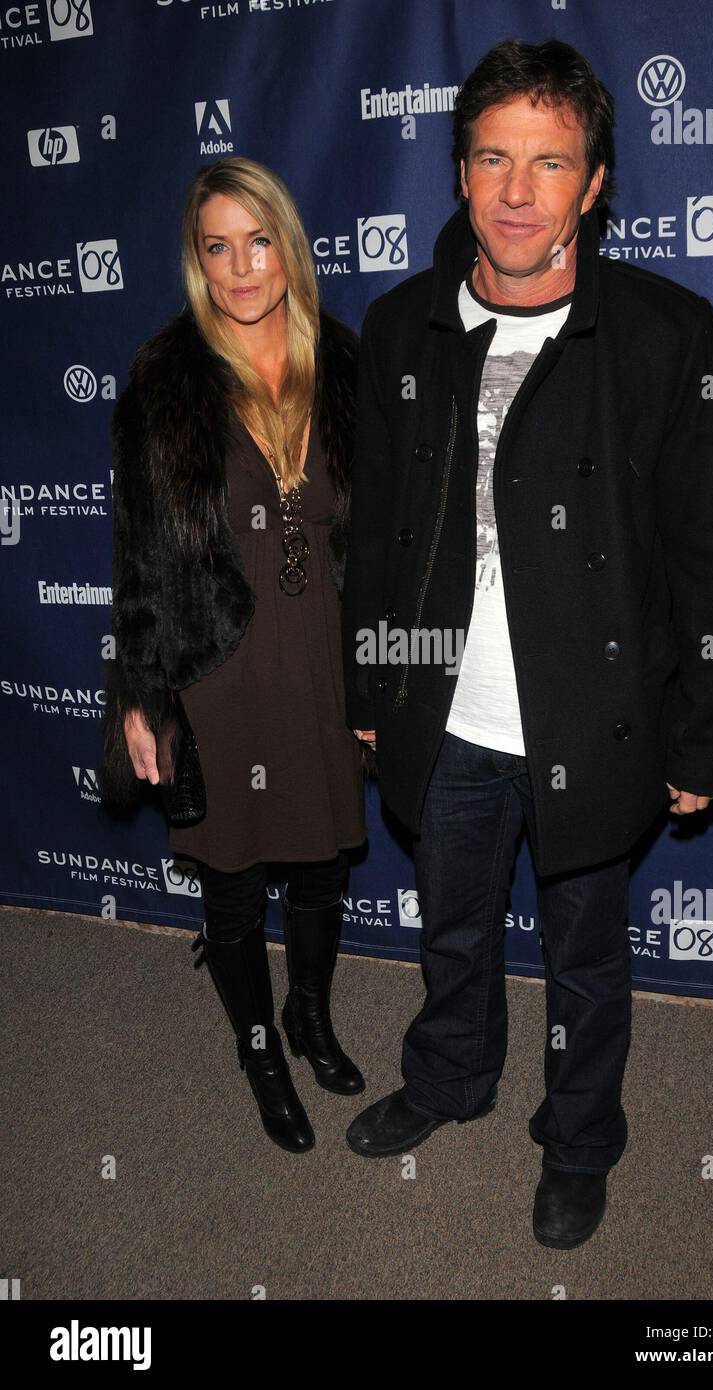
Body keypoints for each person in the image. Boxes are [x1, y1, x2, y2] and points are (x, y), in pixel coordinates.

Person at [341, 39, 713, 1246]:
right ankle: (450, 1076)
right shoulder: (401, 324)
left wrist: (703, 740)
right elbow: (382, 540)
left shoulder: (667, 335)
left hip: (597, 719)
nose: (517, 192)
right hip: (448, 716)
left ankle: (578, 1139)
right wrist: (378, 682)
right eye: (492, 159)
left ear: (594, 182)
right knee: (451, 924)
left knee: (585, 959)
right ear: (461, 171)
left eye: (548, 162)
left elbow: (711, 558)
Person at [99, 156, 368, 1156]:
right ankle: (258, 1047)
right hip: (215, 663)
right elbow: (133, 547)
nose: (241, 268)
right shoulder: (163, 378)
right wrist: (136, 690)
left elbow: (374, 536)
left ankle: (309, 1014)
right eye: (218, 247)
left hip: (322, 661)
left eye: (258, 242)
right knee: (234, 874)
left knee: (321, 858)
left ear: (287, 248)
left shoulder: (342, 364)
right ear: (197, 259)